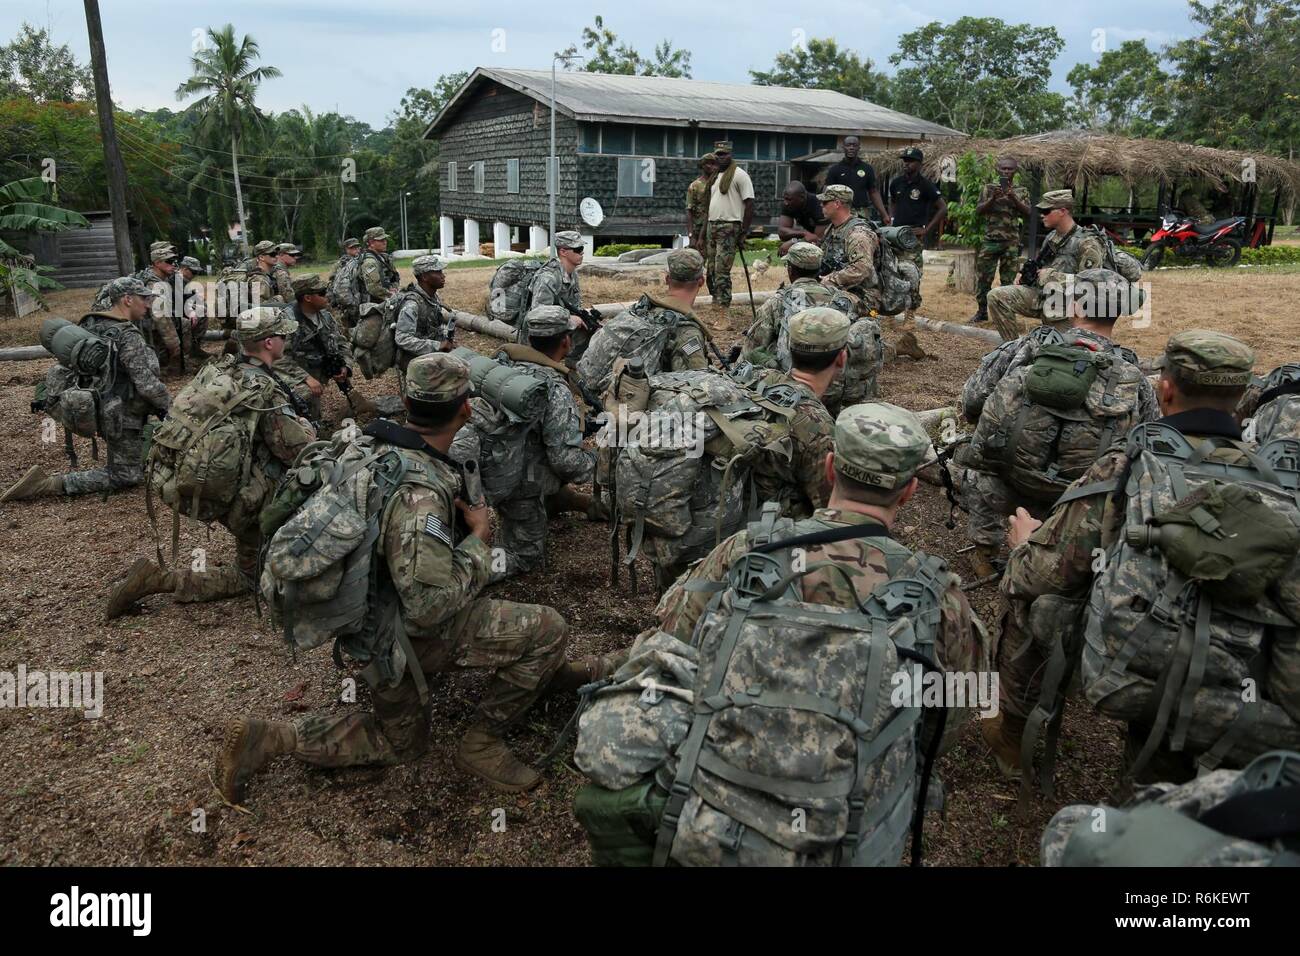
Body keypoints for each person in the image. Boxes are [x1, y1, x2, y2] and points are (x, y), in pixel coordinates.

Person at [214, 352, 610, 798]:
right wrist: (480, 539)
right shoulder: (420, 492)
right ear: (466, 410)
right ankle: (481, 741)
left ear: (405, 400)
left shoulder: (366, 449)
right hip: (398, 637)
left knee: (404, 742)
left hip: (363, 623)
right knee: (546, 629)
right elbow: (429, 606)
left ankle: (274, 737)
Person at [990, 330, 1290, 786]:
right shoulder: (1282, 482)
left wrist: (1022, 544)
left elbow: (1049, 571)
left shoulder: (1128, 466)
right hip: (1256, 693)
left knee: (1026, 595)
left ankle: (1014, 739)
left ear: (1164, 388)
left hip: (1142, 674)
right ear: (1242, 398)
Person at [103, 306, 317, 618]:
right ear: (269, 343)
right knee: (250, 574)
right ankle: (158, 579)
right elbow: (296, 452)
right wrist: (307, 430)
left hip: (191, 475)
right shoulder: (264, 390)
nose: (286, 340)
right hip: (238, 494)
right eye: (282, 335)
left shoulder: (222, 370)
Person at [958, 269, 1157, 579]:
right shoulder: (1134, 379)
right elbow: (1148, 443)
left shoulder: (1025, 349)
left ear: (1075, 306)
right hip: (1077, 510)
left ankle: (984, 549)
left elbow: (972, 401)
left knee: (977, 460)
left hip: (1007, 488)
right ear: (1118, 313)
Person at [2, 276, 171, 503]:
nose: (148, 304)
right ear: (128, 300)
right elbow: (147, 384)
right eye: (144, 298)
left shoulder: (92, 323)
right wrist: (169, 408)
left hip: (96, 406)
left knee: (142, 446)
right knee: (128, 476)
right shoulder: (128, 336)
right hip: (121, 416)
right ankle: (49, 483)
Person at [458, 306, 596, 582]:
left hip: (482, 464)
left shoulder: (506, 367)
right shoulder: (553, 388)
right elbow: (565, 460)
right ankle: (463, 572)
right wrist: (597, 464)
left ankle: (553, 499)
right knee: (525, 554)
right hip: (513, 481)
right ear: (566, 341)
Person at [745, 307, 846, 519]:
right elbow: (833, 513)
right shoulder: (819, 428)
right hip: (765, 532)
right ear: (842, 358)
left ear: (790, 351)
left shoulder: (757, 378)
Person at [986, 189, 1105, 342]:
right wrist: (1025, 275)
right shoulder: (1051, 237)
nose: (1042, 214)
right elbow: (1040, 267)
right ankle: (1012, 348)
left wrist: (1051, 276)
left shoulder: (1087, 243)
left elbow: (1091, 285)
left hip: (1067, 306)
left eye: (1046, 210)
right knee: (996, 296)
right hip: (1043, 296)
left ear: (1063, 211)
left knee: (1059, 353)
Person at [742, 241, 852, 367]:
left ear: (790, 270)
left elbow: (751, 350)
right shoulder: (840, 298)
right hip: (833, 370)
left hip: (792, 375)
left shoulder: (777, 302)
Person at [277, 273, 361, 422]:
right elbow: (279, 359)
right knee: (307, 398)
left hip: (319, 367)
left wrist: (345, 366)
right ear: (308, 298)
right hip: (296, 373)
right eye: (322, 293)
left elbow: (342, 343)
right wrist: (306, 378)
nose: (327, 295)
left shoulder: (325, 316)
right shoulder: (287, 321)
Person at [91, 240, 182, 370]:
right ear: (157, 263)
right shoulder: (154, 284)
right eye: (169, 261)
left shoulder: (155, 276)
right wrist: (175, 347)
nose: (173, 264)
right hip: (118, 325)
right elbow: (161, 318)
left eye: (175, 260)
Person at [887, 146, 946, 318]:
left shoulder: (926, 185)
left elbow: (942, 208)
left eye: (911, 161)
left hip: (913, 236)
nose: (906, 164)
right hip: (895, 235)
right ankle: (892, 310)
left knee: (913, 274)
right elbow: (892, 202)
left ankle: (910, 314)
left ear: (919, 164)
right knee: (892, 271)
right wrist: (891, 220)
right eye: (905, 161)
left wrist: (927, 229)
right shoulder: (896, 183)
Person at [970, 156, 1031, 324]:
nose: (1006, 171)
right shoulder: (988, 188)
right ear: (998, 170)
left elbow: (1029, 213)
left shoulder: (1021, 190)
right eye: (1003, 168)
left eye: (1010, 169)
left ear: (1015, 170)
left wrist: (1013, 198)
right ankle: (982, 311)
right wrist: (992, 199)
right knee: (983, 278)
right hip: (990, 240)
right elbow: (979, 211)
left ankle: (1005, 314)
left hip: (1011, 242)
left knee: (1007, 281)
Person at [816, 184, 882, 313]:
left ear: (837, 203)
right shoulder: (832, 229)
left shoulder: (858, 234)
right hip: (841, 290)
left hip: (863, 296)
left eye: (825, 202)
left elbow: (862, 268)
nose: (821, 206)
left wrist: (831, 280)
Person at [704, 140, 754, 308]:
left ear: (730, 155)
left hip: (729, 226)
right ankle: (715, 301)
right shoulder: (715, 176)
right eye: (717, 154)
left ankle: (724, 307)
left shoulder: (739, 175)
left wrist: (744, 231)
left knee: (721, 271)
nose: (720, 158)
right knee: (710, 269)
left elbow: (749, 203)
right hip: (713, 225)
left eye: (724, 154)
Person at [394, 254, 455, 393]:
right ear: (424, 277)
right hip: (412, 357)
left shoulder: (432, 297)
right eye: (438, 272)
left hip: (427, 351)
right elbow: (402, 338)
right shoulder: (412, 304)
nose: (443, 275)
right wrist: (437, 345)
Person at [823, 135, 890, 223]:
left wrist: (884, 214)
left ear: (859, 148)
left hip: (862, 212)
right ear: (843, 147)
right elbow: (827, 191)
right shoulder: (835, 169)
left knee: (862, 234)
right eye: (848, 145)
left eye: (854, 145)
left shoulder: (867, 168)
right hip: (841, 211)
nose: (851, 148)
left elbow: (873, 192)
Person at [775, 181, 830, 256]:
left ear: (802, 197)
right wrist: (804, 233)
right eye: (785, 199)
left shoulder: (818, 206)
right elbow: (782, 232)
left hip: (830, 241)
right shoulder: (788, 204)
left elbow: (817, 239)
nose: (786, 203)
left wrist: (793, 242)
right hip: (811, 235)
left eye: (789, 199)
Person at [357, 226, 400, 306]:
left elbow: (394, 277)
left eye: (385, 239)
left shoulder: (383, 257)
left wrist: (394, 287)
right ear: (371, 243)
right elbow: (374, 288)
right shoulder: (370, 262)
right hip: (371, 304)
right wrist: (391, 295)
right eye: (381, 240)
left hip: (383, 299)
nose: (385, 242)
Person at [685, 152, 717, 252]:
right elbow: (689, 211)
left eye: (714, 163)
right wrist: (691, 236)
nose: (712, 166)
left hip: (715, 227)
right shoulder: (695, 186)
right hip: (699, 228)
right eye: (709, 163)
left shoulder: (719, 184)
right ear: (702, 166)